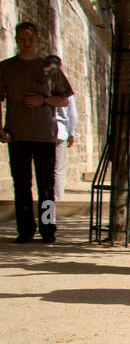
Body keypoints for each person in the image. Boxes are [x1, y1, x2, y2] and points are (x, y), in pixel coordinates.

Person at [0, 22, 73, 243]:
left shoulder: (49, 69)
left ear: (38, 41)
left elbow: (64, 98)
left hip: (44, 135)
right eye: (22, 39)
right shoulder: (6, 68)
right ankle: (25, 229)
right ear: (16, 40)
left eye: (30, 39)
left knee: (46, 185)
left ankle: (48, 228)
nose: (26, 43)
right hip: (17, 134)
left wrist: (44, 100)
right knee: (21, 184)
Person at [52, 82, 77, 200]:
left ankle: (47, 199)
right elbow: (72, 113)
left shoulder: (41, 85)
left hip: (43, 131)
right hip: (60, 131)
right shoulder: (64, 88)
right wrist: (72, 133)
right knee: (58, 170)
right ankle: (57, 198)